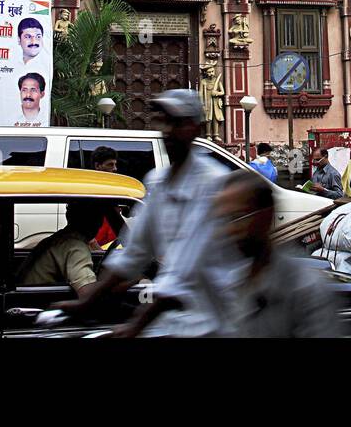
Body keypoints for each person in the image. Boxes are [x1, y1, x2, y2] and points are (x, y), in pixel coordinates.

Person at [52, 90, 231, 337]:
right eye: (164, 121)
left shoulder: (213, 185)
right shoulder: (159, 182)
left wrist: (136, 324)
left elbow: (185, 271)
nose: (167, 131)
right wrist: (89, 299)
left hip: (211, 320)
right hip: (174, 320)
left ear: (195, 128)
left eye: (176, 123)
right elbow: (134, 252)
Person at [200, 170, 350, 337]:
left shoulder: (305, 290)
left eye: (237, 217)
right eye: (222, 220)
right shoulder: (230, 286)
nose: (228, 230)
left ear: (267, 215)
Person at [19, 202, 111, 297]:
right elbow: (88, 293)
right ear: (98, 222)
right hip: (36, 304)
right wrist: (113, 281)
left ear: (68, 216)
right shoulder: (75, 246)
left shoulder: (60, 239)